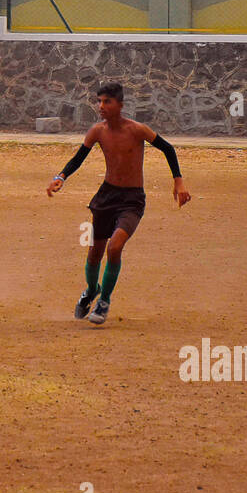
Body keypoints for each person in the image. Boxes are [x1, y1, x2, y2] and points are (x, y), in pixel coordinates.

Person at [46, 83, 191, 325]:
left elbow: (168, 148)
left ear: (120, 105)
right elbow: (78, 158)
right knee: (95, 253)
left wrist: (179, 182)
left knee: (115, 247)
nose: (101, 106)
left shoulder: (138, 130)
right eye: (99, 101)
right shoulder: (97, 131)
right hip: (106, 196)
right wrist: (60, 177)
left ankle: (104, 300)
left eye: (107, 102)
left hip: (132, 199)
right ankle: (91, 290)